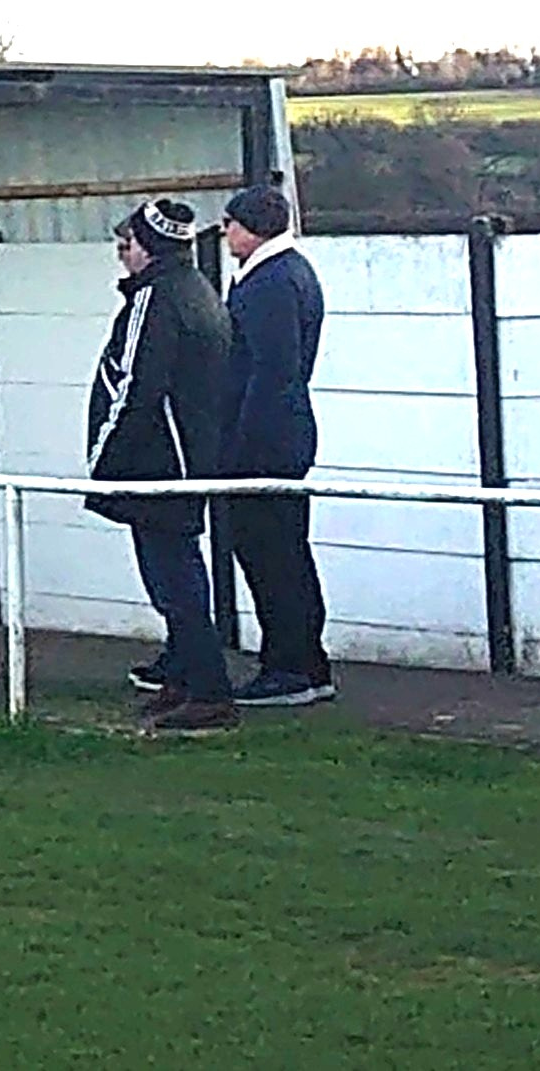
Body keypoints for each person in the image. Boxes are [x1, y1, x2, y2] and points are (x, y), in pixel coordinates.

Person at [86, 199, 239, 734]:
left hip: (158, 465)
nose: (122, 258)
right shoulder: (198, 293)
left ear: (147, 247)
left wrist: (102, 458)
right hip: (184, 459)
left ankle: (207, 689)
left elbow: (132, 388)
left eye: (125, 246)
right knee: (178, 574)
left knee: (173, 579)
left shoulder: (155, 299)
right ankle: (182, 677)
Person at [213, 182, 335, 707]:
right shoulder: (285, 274)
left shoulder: (270, 282)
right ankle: (302, 661)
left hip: (267, 439)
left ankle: (291, 665)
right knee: (283, 551)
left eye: (231, 223)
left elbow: (270, 371)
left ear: (253, 227)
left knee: (271, 554)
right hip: (282, 432)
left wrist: (240, 447)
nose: (224, 232)